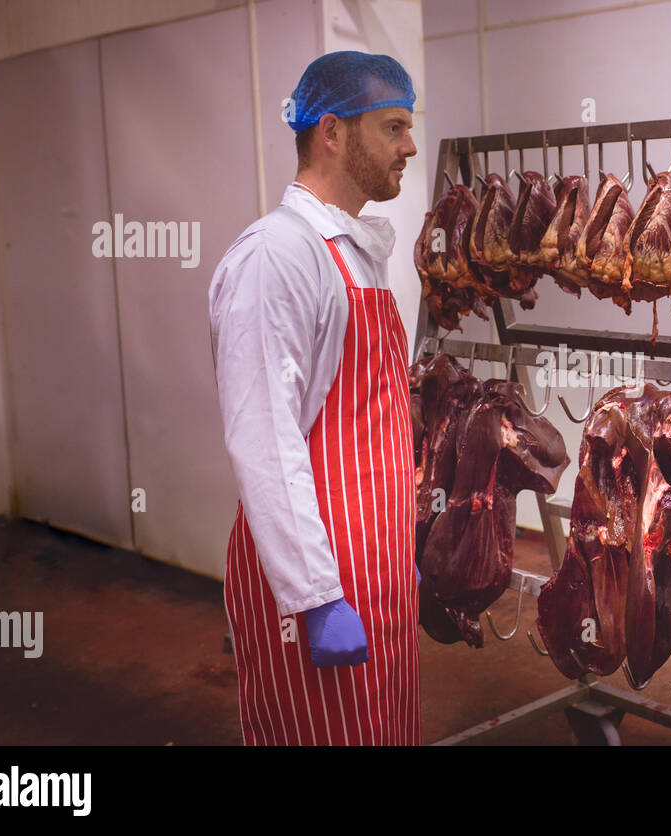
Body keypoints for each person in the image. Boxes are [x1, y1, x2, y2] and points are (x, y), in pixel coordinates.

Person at [208, 51, 420, 745]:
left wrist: (396, 544)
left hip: (375, 568)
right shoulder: (277, 255)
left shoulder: (358, 252)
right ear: (331, 132)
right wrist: (317, 597)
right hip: (316, 582)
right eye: (392, 127)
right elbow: (264, 439)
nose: (410, 146)